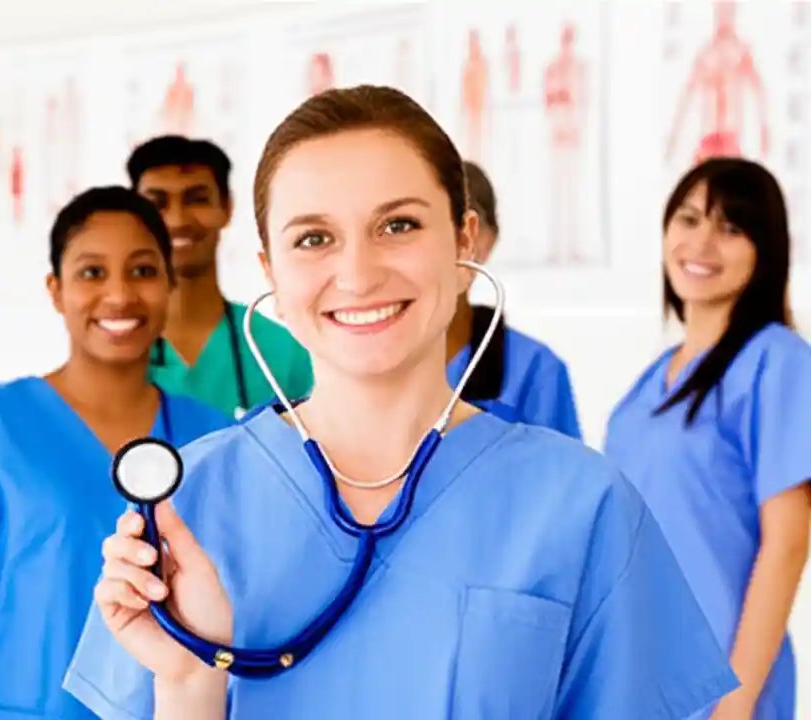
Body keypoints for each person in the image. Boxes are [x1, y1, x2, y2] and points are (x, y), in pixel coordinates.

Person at [63, 86, 737, 718]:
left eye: (399, 225)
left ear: (464, 238)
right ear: (270, 268)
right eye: (314, 238)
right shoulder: (187, 506)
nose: (357, 274)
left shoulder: (581, 503)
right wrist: (189, 685)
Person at [0, 187, 233, 719]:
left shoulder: (215, 440)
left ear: (171, 283)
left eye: (144, 271)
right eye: (92, 272)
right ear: (55, 290)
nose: (120, 295)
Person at [605, 158, 810, 720]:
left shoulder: (779, 363)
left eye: (731, 227)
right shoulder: (652, 381)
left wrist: (735, 702)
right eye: (689, 219)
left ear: (765, 250)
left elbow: (787, 542)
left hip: (721, 688)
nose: (702, 242)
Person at [127, 136, 313, 420]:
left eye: (197, 199)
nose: (178, 220)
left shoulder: (282, 353)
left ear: (226, 207)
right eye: (158, 203)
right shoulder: (117, 350)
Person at [449, 161, 583, 438]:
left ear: (483, 240)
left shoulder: (535, 370)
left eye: (460, 227)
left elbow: (561, 477)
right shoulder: (364, 358)